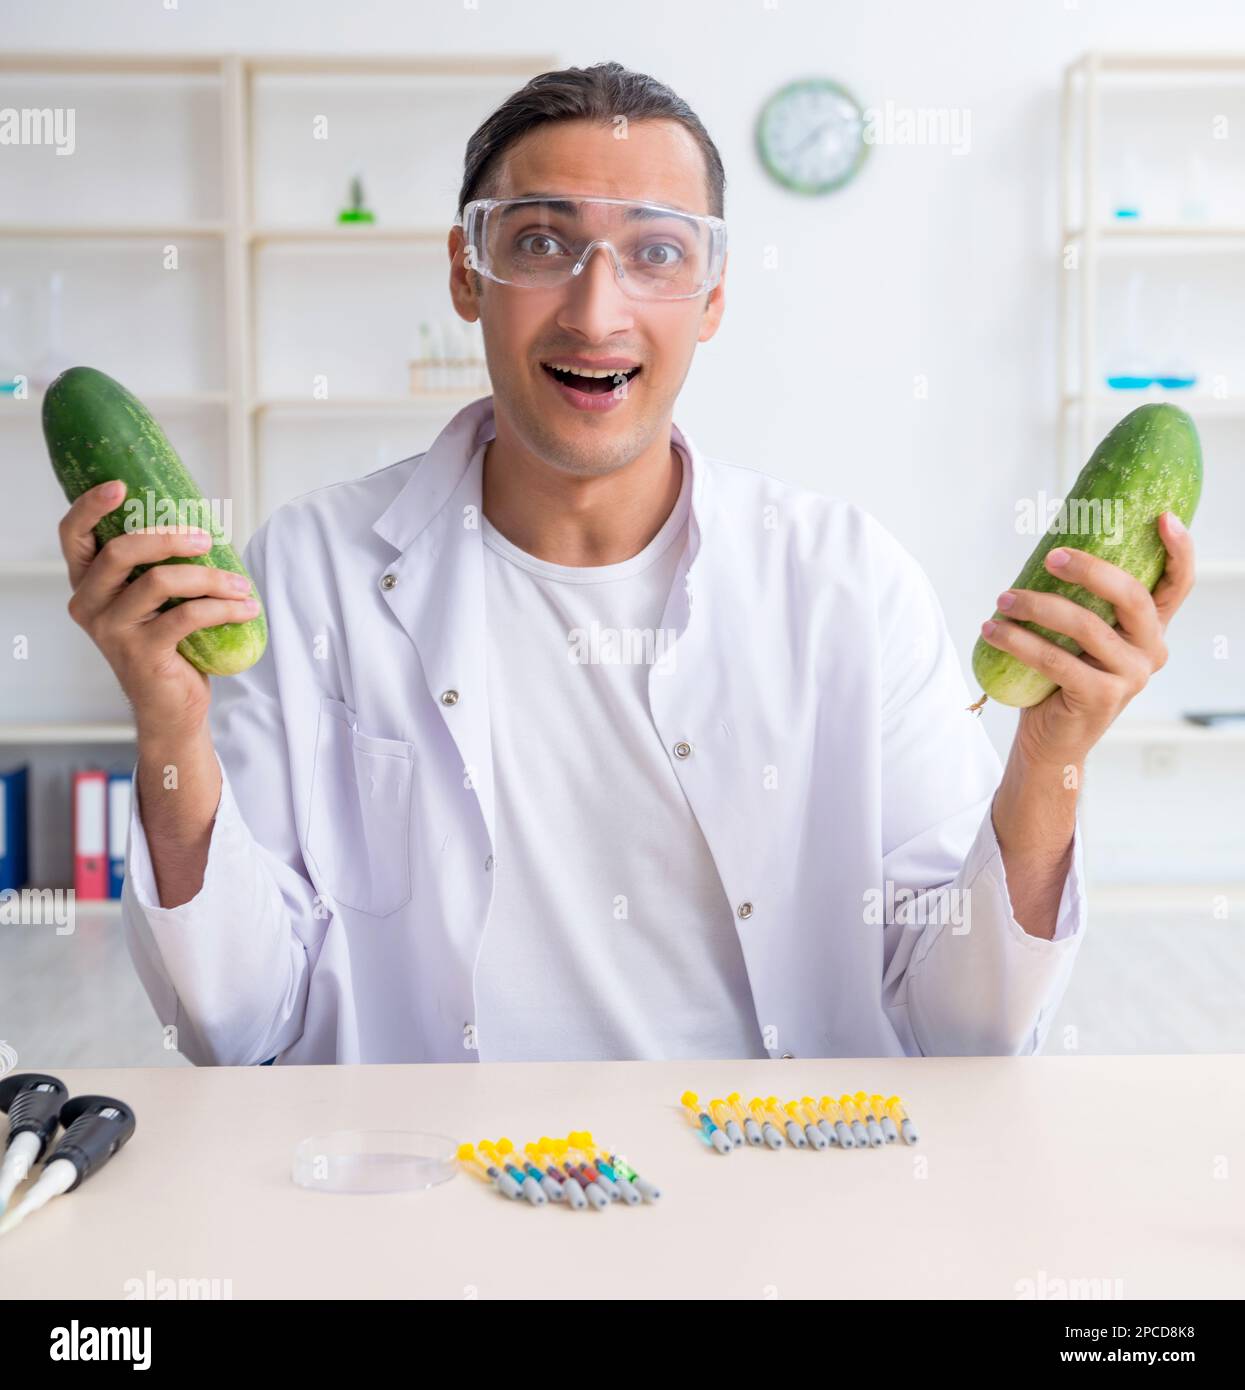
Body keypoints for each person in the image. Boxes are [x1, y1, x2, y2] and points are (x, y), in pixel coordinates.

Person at [57, 63, 1194, 1065]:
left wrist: (1051, 754)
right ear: (467, 274)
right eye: (542, 243)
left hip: (777, 1195)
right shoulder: (311, 570)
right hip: (424, 1204)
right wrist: (168, 726)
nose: (596, 311)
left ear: (712, 297)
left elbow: (966, 1029)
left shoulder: (849, 583)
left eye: (656, 251)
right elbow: (240, 1025)